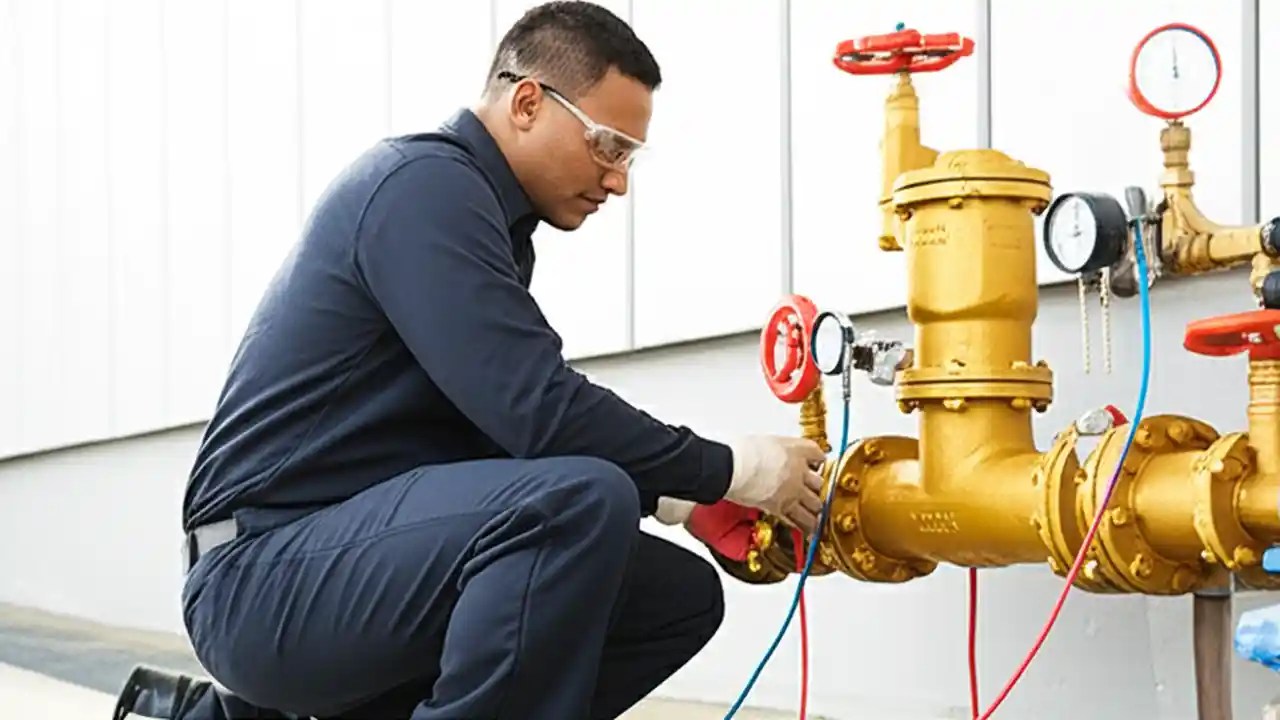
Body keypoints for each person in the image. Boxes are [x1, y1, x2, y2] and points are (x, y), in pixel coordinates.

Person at [113, 2, 825, 718]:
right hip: (259, 578)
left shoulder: (489, 224)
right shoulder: (423, 188)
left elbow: (499, 433)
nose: (618, 181)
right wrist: (741, 470)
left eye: (629, 158)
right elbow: (538, 412)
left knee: (672, 596)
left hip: (348, 561)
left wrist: (685, 501)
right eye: (609, 147)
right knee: (575, 504)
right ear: (526, 103)